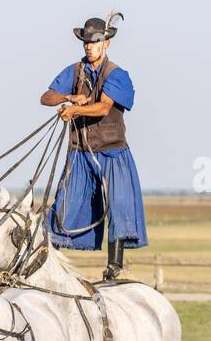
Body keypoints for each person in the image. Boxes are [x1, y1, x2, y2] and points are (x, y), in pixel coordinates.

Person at [40, 14, 147, 280]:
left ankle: (115, 266)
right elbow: (46, 97)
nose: (89, 46)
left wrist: (75, 109)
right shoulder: (75, 71)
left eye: (95, 42)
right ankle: (47, 261)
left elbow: (103, 107)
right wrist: (67, 97)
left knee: (120, 207)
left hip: (112, 151)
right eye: (86, 42)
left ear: (106, 44)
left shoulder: (117, 75)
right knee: (65, 205)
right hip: (80, 151)